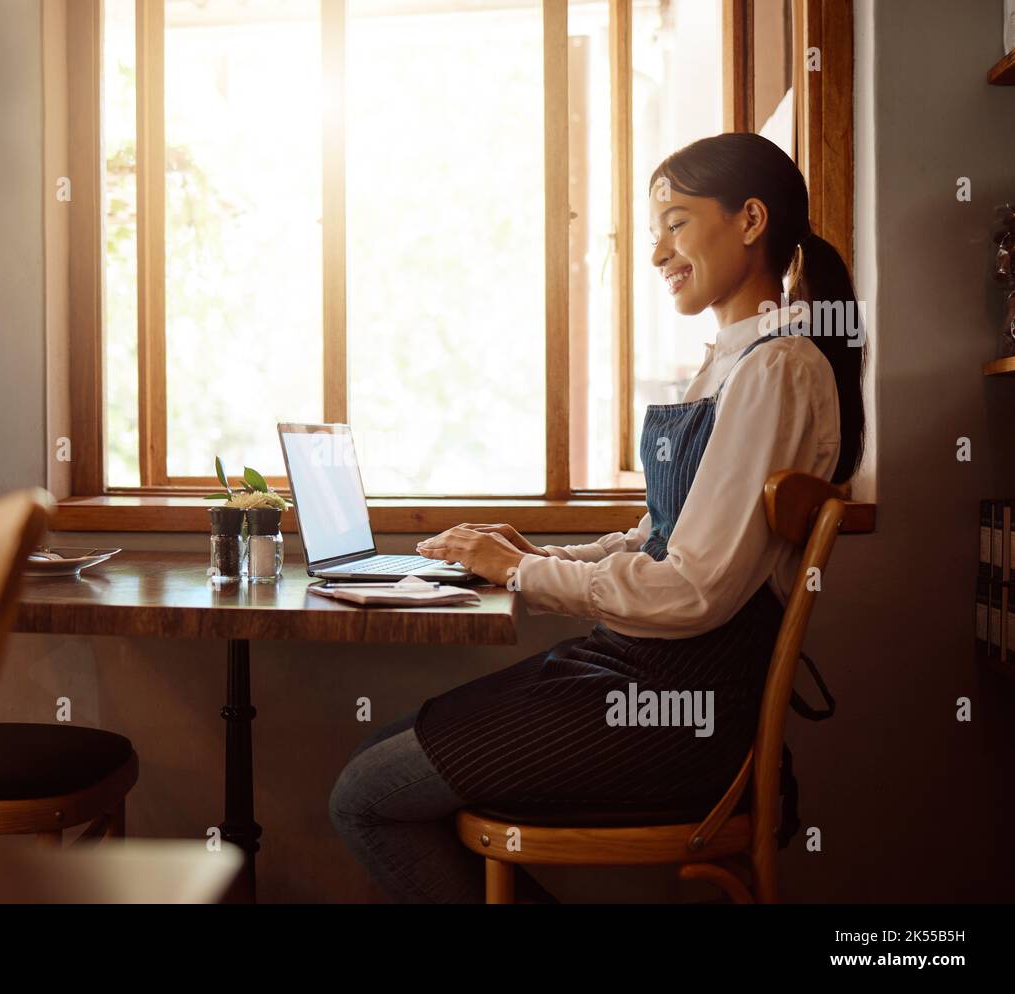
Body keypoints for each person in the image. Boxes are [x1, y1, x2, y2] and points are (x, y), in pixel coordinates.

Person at [328, 132, 866, 903]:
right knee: (383, 757)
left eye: (676, 223)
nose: (658, 253)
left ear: (751, 220)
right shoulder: (737, 362)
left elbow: (693, 591)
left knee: (366, 795)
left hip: (684, 704)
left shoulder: (776, 370)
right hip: (641, 671)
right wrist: (538, 554)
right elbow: (659, 538)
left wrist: (518, 572)